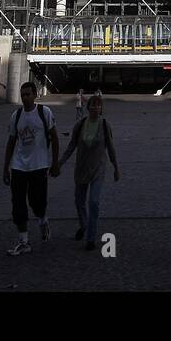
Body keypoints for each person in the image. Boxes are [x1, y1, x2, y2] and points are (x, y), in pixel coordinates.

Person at [2, 81, 59, 256]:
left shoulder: (44, 112)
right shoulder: (16, 116)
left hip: (39, 165)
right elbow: (11, 142)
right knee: (18, 204)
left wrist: (55, 163)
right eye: (23, 95)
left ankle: (42, 220)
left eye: (28, 94)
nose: (25, 98)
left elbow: (55, 138)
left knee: (37, 202)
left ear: (35, 95)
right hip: (19, 166)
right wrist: (6, 167)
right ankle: (23, 241)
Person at [57, 93, 120, 250]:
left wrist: (116, 167)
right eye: (93, 105)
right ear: (88, 107)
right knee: (79, 201)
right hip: (81, 168)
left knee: (93, 202)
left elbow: (111, 148)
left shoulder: (105, 125)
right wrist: (60, 163)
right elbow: (71, 146)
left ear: (101, 109)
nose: (95, 108)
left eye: (98, 105)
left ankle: (91, 238)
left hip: (98, 168)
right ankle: (84, 225)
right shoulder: (80, 125)